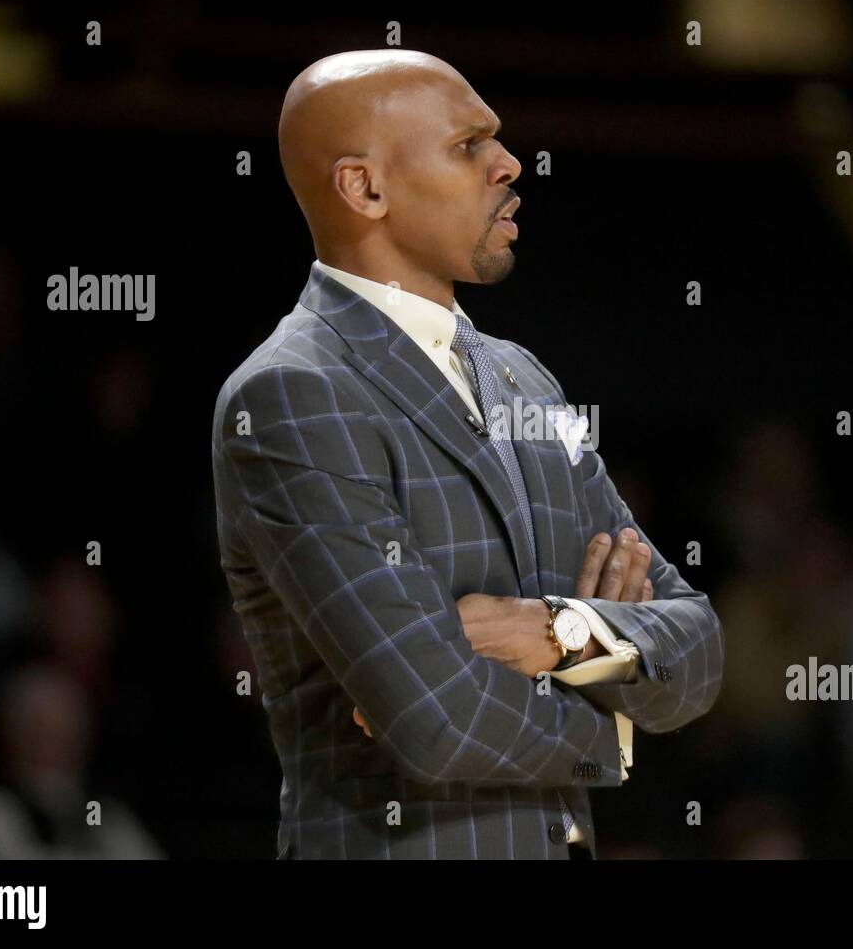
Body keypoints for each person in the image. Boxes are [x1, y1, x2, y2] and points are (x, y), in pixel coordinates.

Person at [210, 49, 723, 859]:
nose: (510, 163)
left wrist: (565, 633)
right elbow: (436, 720)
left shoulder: (524, 378)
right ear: (364, 187)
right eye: (468, 145)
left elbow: (698, 643)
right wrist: (612, 730)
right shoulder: (292, 393)